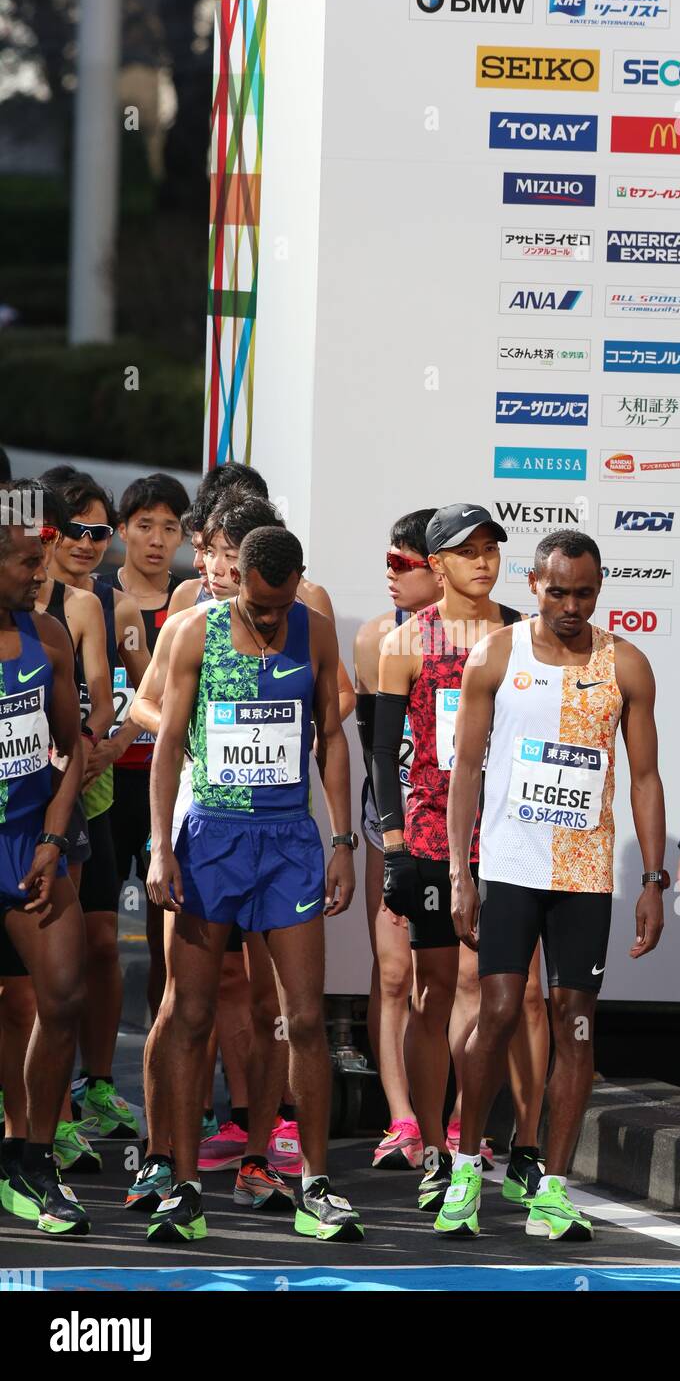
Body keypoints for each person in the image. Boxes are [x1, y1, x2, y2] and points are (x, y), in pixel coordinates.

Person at [435, 530, 666, 1239]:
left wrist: (652, 879)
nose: (570, 606)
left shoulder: (626, 664)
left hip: (584, 873)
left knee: (575, 1023)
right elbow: (465, 767)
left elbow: (646, 777)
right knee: (501, 1009)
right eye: (558, 591)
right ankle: (466, 1169)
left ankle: (553, 1189)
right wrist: (460, 871)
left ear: (599, 590)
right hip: (511, 864)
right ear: (534, 584)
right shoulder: (495, 655)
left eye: (584, 593)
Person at [146, 526, 361, 1243]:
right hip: (212, 838)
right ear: (235, 577)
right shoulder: (193, 632)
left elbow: (332, 738)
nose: (269, 618)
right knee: (191, 1014)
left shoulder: (315, 629)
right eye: (257, 604)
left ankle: (316, 1186)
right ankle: (183, 1186)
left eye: (280, 605)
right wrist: (160, 848)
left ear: (299, 580)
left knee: (304, 1018)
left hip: (289, 841)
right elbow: (168, 743)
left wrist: (341, 843)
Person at [373, 504, 549, 1214]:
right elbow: (382, 753)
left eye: (491, 549)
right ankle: (437, 1152)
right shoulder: (406, 641)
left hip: (507, 836)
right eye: (467, 551)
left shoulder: (524, 635)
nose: (483, 561)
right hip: (429, 838)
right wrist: (391, 846)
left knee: (521, 995)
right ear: (437, 563)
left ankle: (525, 1148)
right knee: (433, 992)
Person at [45, 470, 151, 1142]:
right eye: (76, 530)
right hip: (34, 796)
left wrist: (110, 744)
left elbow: (151, 693)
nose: (88, 543)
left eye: (100, 531)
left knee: (101, 944)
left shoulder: (115, 608)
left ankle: (99, 1083)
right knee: (39, 961)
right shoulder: (24, 602)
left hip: (96, 794)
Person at [0, 503, 90, 1235]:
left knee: (62, 996)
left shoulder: (48, 634)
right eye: (27, 562)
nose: (41, 574)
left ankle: (32, 1157)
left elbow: (74, 747)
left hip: (27, 842)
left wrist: (55, 838)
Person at [353, 508, 440, 1169]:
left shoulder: (489, 636)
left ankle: (453, 1122)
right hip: (390, 820)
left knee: (454, 980)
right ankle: (401, 1116)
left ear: (439, 569)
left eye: (401, 564)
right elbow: (375, 748)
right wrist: (390, 829)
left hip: (455, 828)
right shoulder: (374, 639)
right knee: (392, 973)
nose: (389, 574)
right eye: (386, 560)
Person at [98, 473, 190, 1018]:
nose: (157, 539)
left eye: (169, 528)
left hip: (169, 782)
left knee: (167, 936)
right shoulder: (95, 598)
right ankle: (90, 1056)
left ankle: (163, 1043)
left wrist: (131, 734)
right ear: (122, 531)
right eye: (144, 525)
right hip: (107, 783)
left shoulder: (193, 602)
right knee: (96, 932)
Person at [168, 463, 269, 618]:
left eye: (229, 555)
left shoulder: (301, 604)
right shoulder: (202, 609)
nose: (199, 562)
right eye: (210, 551)